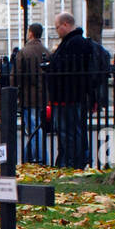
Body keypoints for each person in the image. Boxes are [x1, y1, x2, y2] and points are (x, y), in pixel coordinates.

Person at [46, 12, 91, 169]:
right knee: (68, 131)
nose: (57, 31)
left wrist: (51, 66)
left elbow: (66, 68)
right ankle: (69, 159)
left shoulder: (75, 43)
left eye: (57, 27)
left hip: (68, 96)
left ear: (65, 25)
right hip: (65, 96)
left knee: (69, 131)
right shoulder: (70, 42)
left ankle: (73, 161)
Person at [15, 22, 49, 164]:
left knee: (34, 128)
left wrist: (13, 94)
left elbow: (16, 75)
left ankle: (40, 158)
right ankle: (30, 156)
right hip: (42, 97)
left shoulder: (24, 52)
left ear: (31, 33)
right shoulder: (46, 51)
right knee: (36, 127)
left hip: (28, 97)